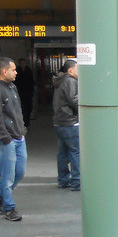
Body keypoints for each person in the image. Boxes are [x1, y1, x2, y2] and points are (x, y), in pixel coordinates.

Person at [0, 57, 27, 222]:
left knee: (19, 172)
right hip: (5, 142)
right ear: (4, 71)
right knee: (8, 177)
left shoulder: (12, 87)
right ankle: (9, 208)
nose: (16, 72)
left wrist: (22, 131)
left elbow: (17, 112)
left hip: (18, 138)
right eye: (13, 70)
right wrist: (6, 139)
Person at [52, 59, 80, 192]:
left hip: (59, 121)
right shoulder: (70, 81)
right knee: (75, 152)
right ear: (70, 70)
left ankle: (63, 180)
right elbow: (74, 100)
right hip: (70, 121)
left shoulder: (60, 81)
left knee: (62, 152)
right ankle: (77, 181)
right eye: (77, 68)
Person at [15, 57, 35, 129]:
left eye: (24, 63)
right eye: (21, 64)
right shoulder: (17, 71)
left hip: (28, 92)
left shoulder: (28, 70)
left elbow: (32, 81)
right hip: (20, 92)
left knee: (29, 107)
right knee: (22, 108)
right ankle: (22, 122)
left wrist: (32, 90)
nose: (23, 65)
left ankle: (27, 121)